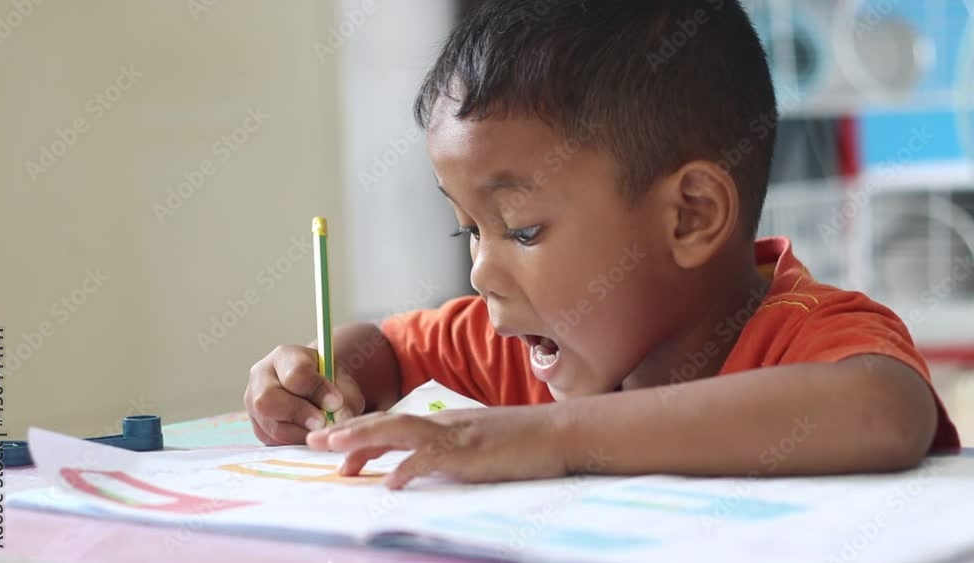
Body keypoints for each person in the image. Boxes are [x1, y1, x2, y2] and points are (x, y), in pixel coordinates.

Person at [245, 0, 961, 489]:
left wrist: (548, 437)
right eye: (466, 229)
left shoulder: (805, 331)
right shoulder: (532, 343)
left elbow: (883, 408)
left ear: (691, 216)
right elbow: (389, 352)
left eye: (521, 229)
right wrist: (315, 374)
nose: (482, 270)